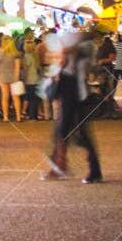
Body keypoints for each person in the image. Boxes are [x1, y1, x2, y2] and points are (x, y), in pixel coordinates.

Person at [44, 22, 102, 182]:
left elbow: (77, 52)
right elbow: (53, 57)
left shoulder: (87, 46)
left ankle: (92, 171)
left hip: (77, 93)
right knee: (61, 132)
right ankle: (59, 166)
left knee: (79, 134)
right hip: (67, 90)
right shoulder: (71, 42)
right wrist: (59, 53)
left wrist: (63, 50)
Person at [0, 33, 21, 122]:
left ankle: (5, 117)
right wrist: (16, 78)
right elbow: (17, 67)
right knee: (15, 97)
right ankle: (18, 117)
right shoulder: (15, 52)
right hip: (13, 76)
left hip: (2, 76)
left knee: (5, 96)